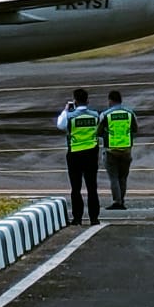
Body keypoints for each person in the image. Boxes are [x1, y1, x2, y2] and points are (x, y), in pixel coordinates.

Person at [57, 87, 102, 226]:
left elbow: (60, 125)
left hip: (75, 153)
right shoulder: (95, 115)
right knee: (92, 187)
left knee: (76, 188)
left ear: (75, 101)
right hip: (91, 153)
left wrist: (66, 110)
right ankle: (94, 218)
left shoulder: (70, 116)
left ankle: (77, 218)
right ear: (87, 101)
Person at [99, 89, 138, 209]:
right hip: (126, 149)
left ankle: (117, 201)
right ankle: (122, 200)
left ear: (110, 101)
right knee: (123, 177)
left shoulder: (106, 114)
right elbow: (135, 129)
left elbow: (99, 131)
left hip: (111, 150)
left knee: (114, 177)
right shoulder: (129, 113)